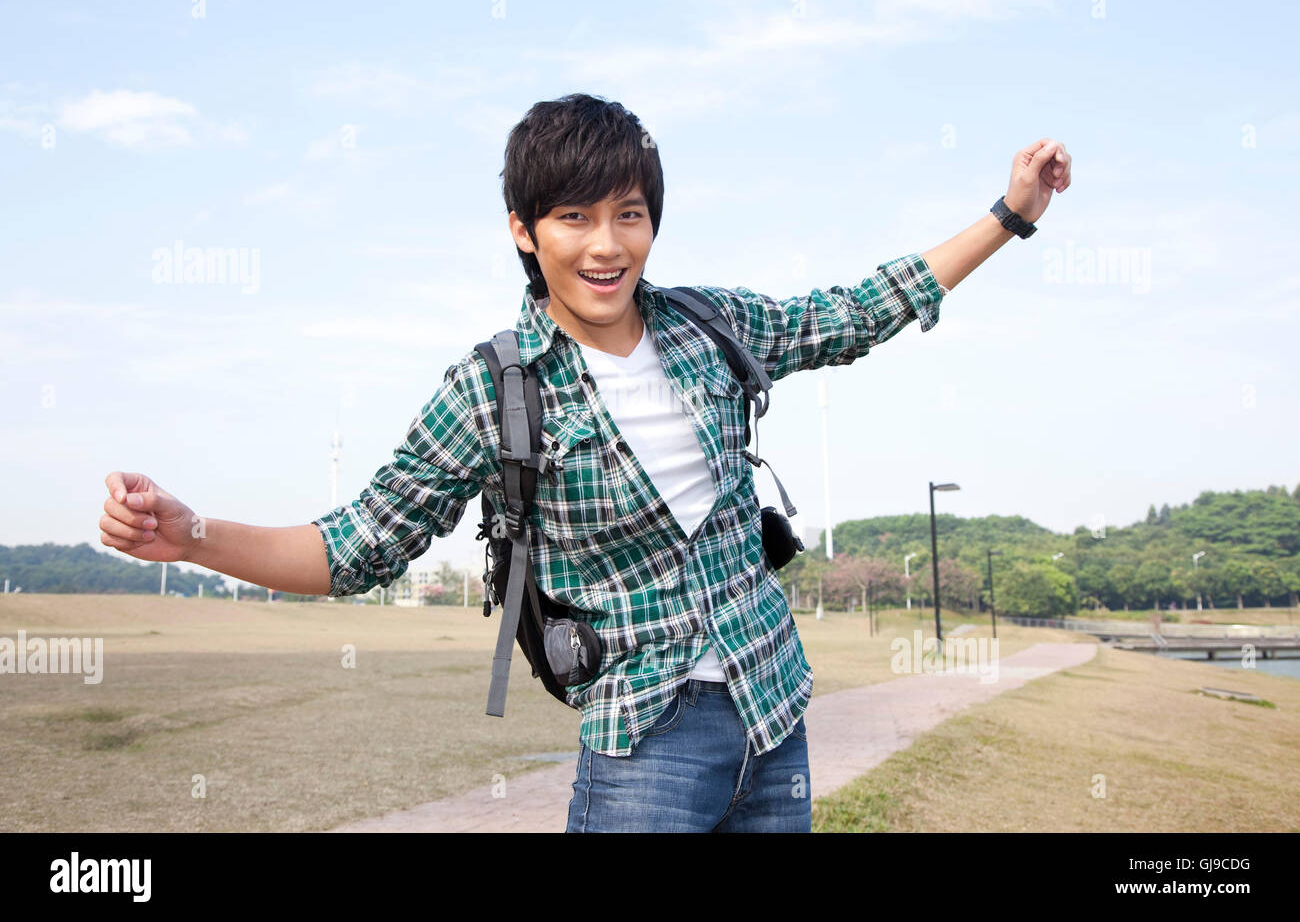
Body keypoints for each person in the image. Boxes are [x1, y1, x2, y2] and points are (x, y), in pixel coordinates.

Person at [99, 93, 1071, 832]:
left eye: (629, 213)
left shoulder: (709, 325)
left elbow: (860, 308)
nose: (606, 245)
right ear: (523, 231)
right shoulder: (494, 389)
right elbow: (357, 543)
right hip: (646, 746)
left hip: (774, 712)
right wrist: (191, 533)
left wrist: (1009, 212)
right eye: (572, 216)